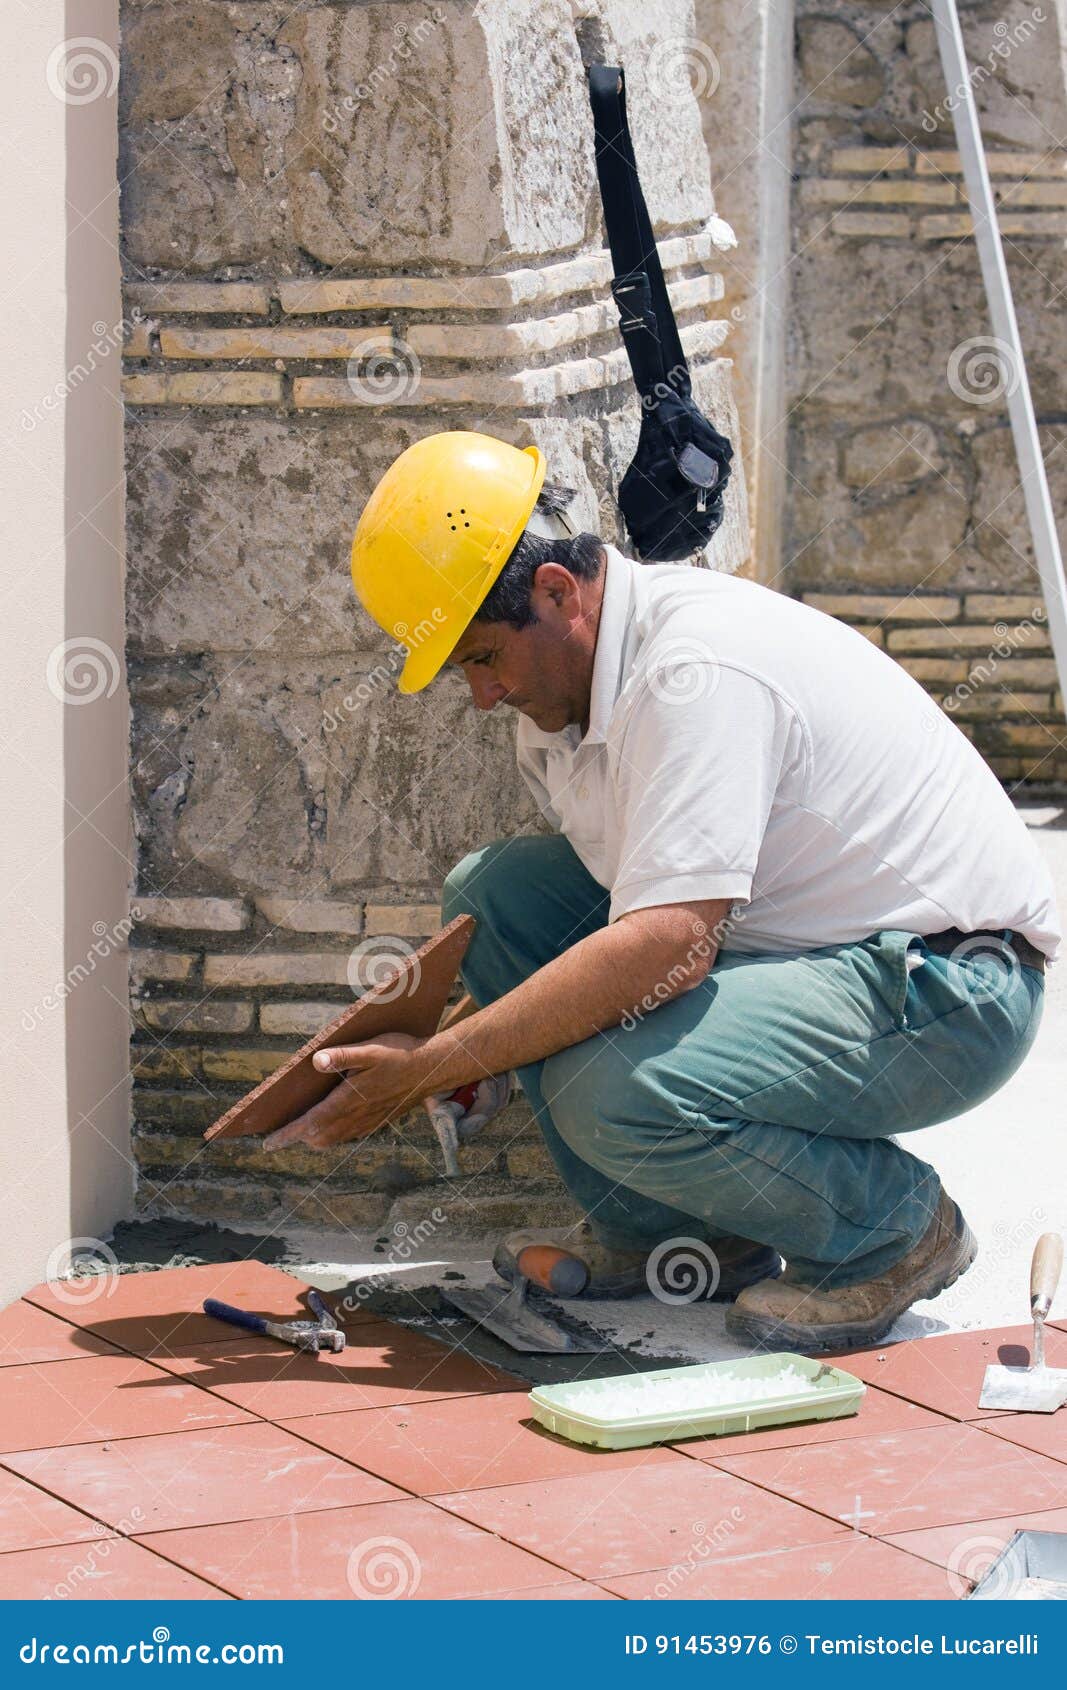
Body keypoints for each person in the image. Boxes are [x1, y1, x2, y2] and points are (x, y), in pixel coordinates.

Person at [267, 431, 1060, 1353]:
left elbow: (670, 946)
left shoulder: (697, 674)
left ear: (558, 594)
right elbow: (626, 924)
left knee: (608, 1089)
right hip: (807, 951)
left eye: (483, 659)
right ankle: (684, 1236)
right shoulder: (566, 692)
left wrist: (434, 1068)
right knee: (502, 895)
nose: (480, 697)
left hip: (948, 992)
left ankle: (892, 1231)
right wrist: (466, 1051)